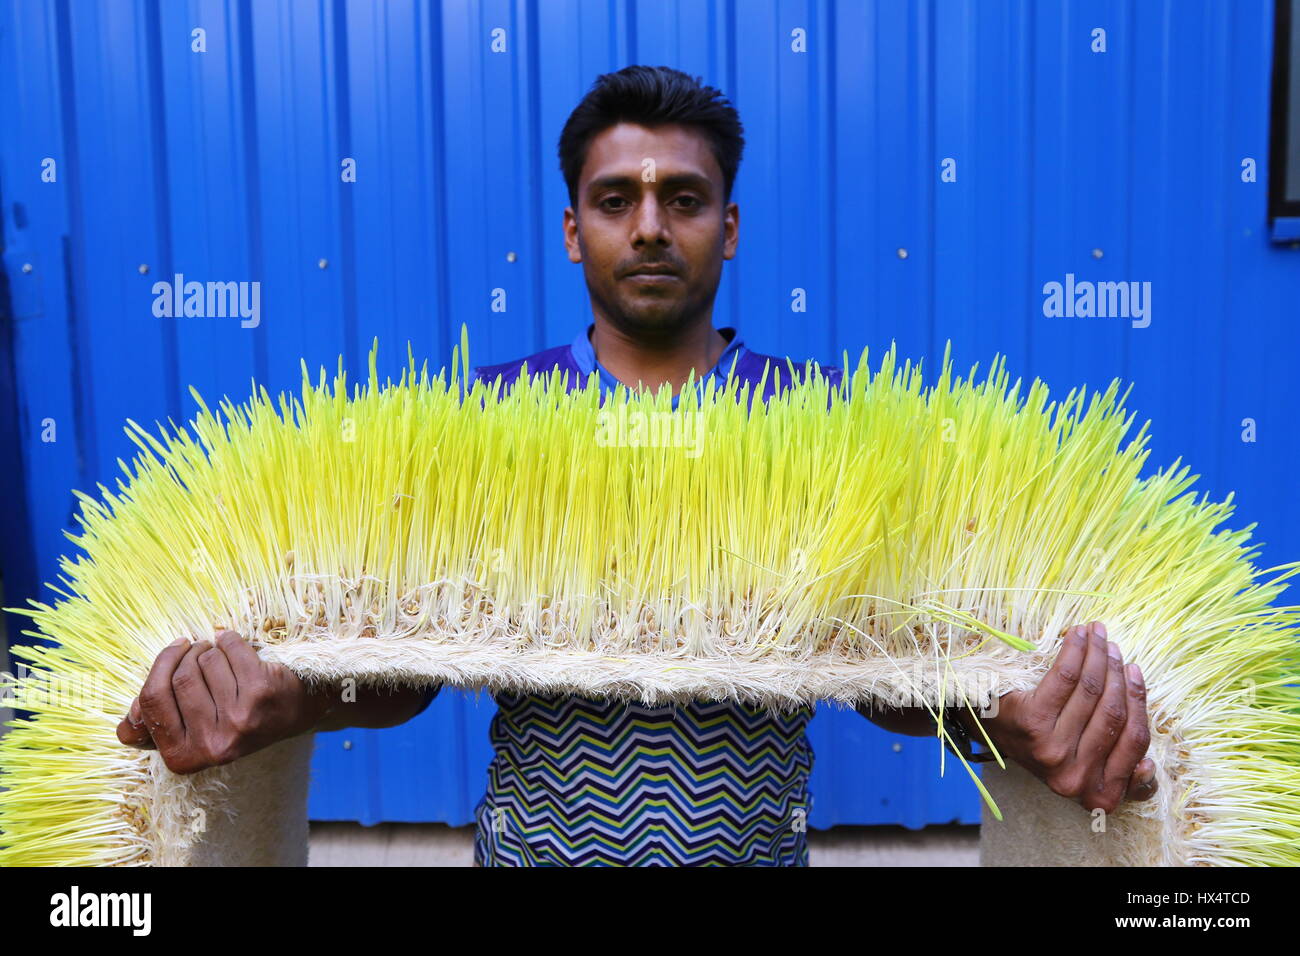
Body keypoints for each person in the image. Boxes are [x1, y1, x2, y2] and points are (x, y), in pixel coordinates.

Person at [117, 65, 1157, 865]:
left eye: (684, 198)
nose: (650, 225)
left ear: (728, 226)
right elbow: (408, 669)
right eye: (615, 200)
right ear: (572, 233)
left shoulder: (823, 417)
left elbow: (885, 670)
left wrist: (1001, 713)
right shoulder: (488, 417)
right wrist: (277, 698)